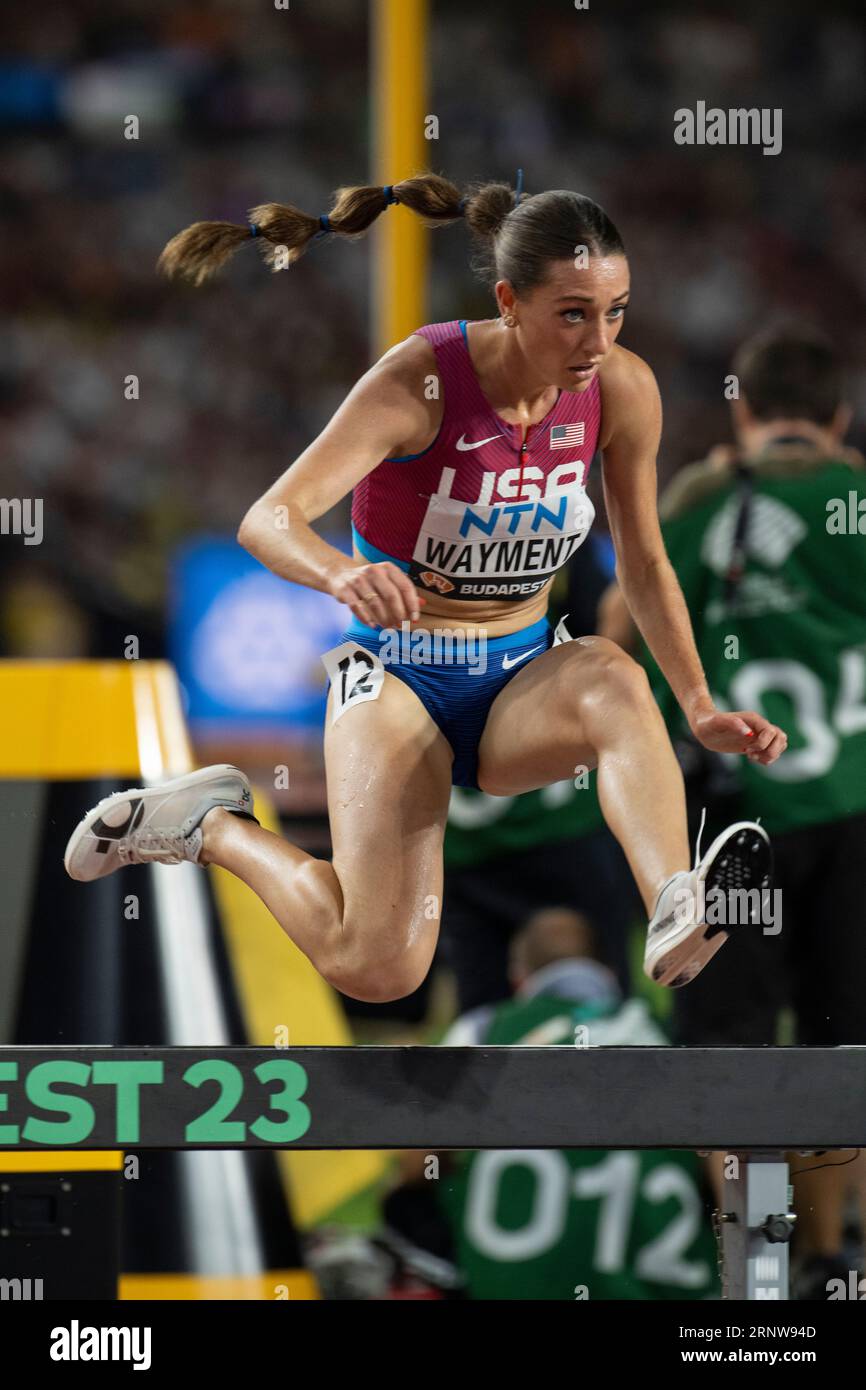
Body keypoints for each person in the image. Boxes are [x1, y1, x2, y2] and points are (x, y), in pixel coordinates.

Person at [64, 172, 786, 1001]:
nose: (598, 341)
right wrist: (342, 572)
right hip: (401, 678)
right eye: (573, 314)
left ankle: (675, 903)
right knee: (378, 969)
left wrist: (697, 703)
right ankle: (211, 827)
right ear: (509, 301)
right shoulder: (419, 381)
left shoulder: (622, 389)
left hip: (520, 682)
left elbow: (646, 562)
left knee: (614, 679)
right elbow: (268, 519)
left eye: (616, 311)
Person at [598, 323, 866, 1298]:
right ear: (840, 418)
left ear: (740, 411)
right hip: (855, 812)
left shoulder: (700, 500)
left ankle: (755, 1274)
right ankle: (835, 1261)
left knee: (728, 1050)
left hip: (733, 826)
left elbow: (615, 639)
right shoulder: (857, 500)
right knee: (845, 1043)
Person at [384, 909, 720, 1300]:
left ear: (518, 978)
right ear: (611, 973)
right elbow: (724, 1150)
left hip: (511, 1284)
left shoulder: (483, 1029)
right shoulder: (668, 1038)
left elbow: (416, 1158)